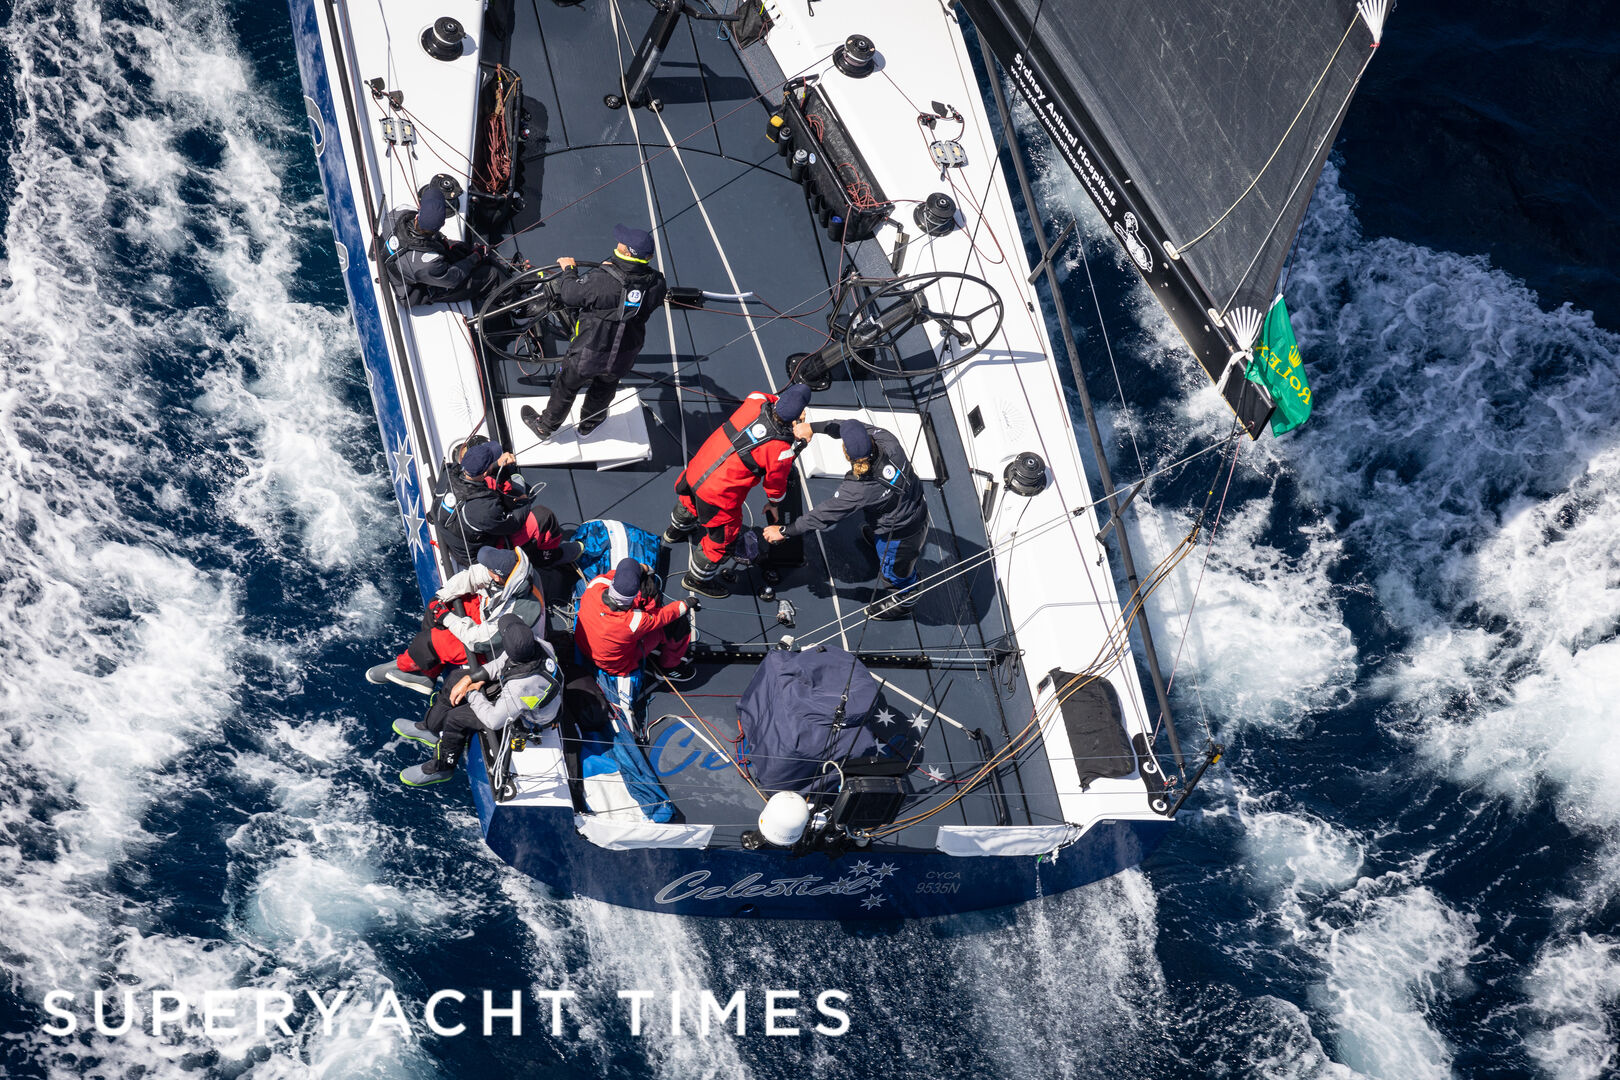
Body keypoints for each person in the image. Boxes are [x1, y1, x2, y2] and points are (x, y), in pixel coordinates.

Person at [763, 418, 926, 620]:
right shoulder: (887, 439)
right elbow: (849, 427)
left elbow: (823, 515)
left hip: (900, 533)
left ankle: (905, 601)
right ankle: (879, 539)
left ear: (846, 453)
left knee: (894, 573)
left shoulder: (858, 490)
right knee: (882, 535)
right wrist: (812, 428)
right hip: (917, 506)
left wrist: (785, 531)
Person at [520, 224, 668, 441]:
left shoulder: (601, 280)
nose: (618, 242)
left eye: (622, 242)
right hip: (626, 352)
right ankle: (589, 425)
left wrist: (569, 271)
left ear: (627, 253)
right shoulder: (658, 282)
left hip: (590, 350)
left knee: (566, 386)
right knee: (605, 387)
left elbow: (570, 295)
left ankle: (545, 427)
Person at [663, 384, 812, 598]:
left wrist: (788, 407)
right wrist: (774, 504)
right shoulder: (781, 450)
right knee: (722, 542)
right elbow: (775, 485)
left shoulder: (756, 399)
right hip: (718, 497)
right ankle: (696, 580)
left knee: (689, 502)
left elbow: (768, 397)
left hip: (697, 470)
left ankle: (674, 532)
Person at [393, 615, 563, 787]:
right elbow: (501, 663)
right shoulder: (539, 644)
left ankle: (443, 767)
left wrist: (471, 693)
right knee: (456, 678)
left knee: (456, 718)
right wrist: (471, 679)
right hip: (520, 691)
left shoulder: (520, 687)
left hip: (526, 716)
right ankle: (432, 728)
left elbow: (493, 720)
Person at [363, 544, 541, 694]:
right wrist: (441, 597)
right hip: (485, 616)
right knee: (435, 608)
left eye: (490, 569)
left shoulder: (517, 610)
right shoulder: (511, 571)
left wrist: (446, 617)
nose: (486, 569)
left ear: (498, 575)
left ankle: (406, 664)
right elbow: (473, 575)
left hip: (491, 651)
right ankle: (428, 672)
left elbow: (478, 641)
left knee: (432, 641)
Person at [430, 438, 581, 571]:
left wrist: (496, 464)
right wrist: (523, 501)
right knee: (543, 516)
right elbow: (512, 524)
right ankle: (548, 557)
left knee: (493, 482)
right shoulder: (483, 510)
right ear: (483, 472)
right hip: (478, 553)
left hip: (458, 533)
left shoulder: (449, 472)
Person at [576, 558, 696, 684]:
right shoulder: (635, 621)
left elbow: (621, 573)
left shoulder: (596, 584)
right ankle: (669, 667)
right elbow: (663, 616)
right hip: (618, 665)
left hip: (585, 647)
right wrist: (686, 603)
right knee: (678, 625)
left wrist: (642, 569)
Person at [379, 186, 499, 306]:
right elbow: (454, 279)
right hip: (414, 290)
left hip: (408, 262)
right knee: (492, 275)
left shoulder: (399, 212)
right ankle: (508, 307)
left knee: (460, 249)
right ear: (442, 224)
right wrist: (476, 256)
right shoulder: (429, 263)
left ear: (418, 215)